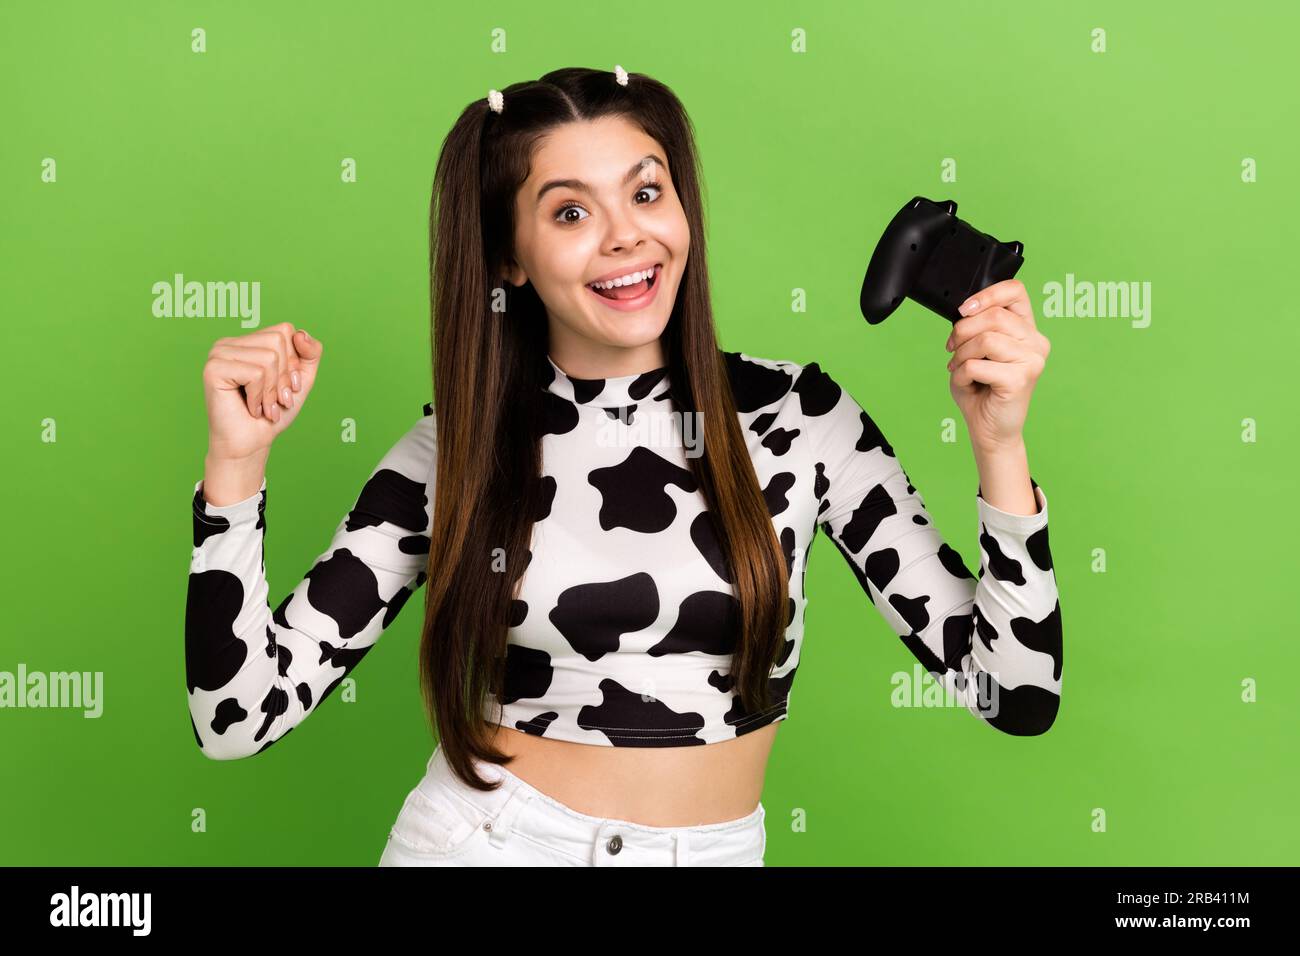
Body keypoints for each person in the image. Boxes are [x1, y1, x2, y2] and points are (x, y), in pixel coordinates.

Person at [185, 67, 1062, 867]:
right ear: (506, 258)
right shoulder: (459, 445)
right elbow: (238, 715)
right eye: (570, 212)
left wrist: (999, 445)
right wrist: (236, 465)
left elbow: (1015, 695)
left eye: (647, 191)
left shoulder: (799, 418)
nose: (625, 237)